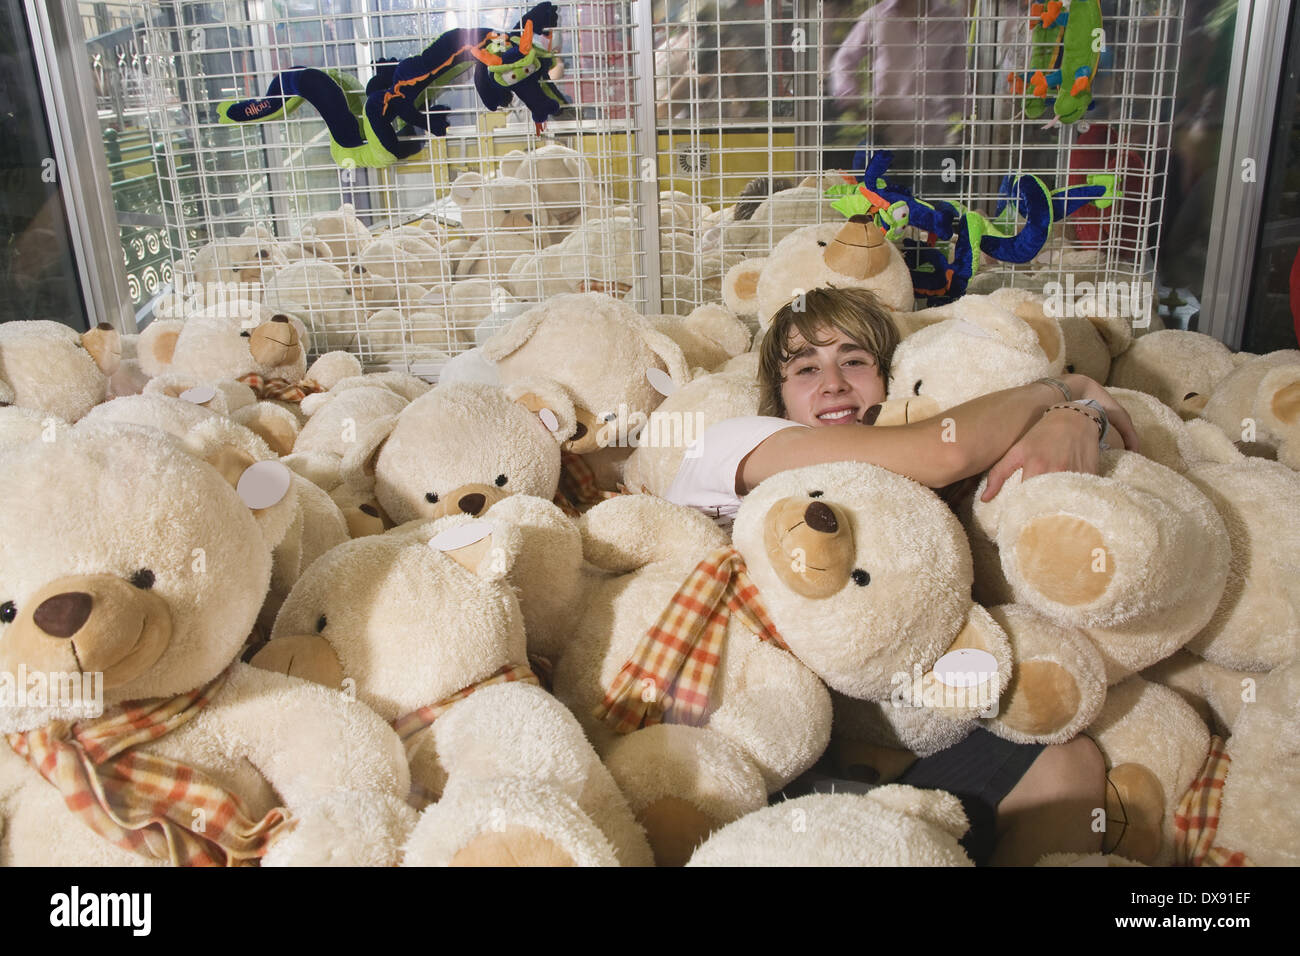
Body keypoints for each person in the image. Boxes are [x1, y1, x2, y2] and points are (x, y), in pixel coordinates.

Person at [665, 286, 1138, 865]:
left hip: (893, 748)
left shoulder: (903, 484)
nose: (833, 382)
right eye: (805, 367)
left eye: (856, 360)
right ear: (777, 401)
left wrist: (1075, 418)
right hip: (752, 756)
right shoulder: (732, 444)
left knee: (1068, 764)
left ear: (893, 379)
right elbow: (944, 452)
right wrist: (1067, 390)